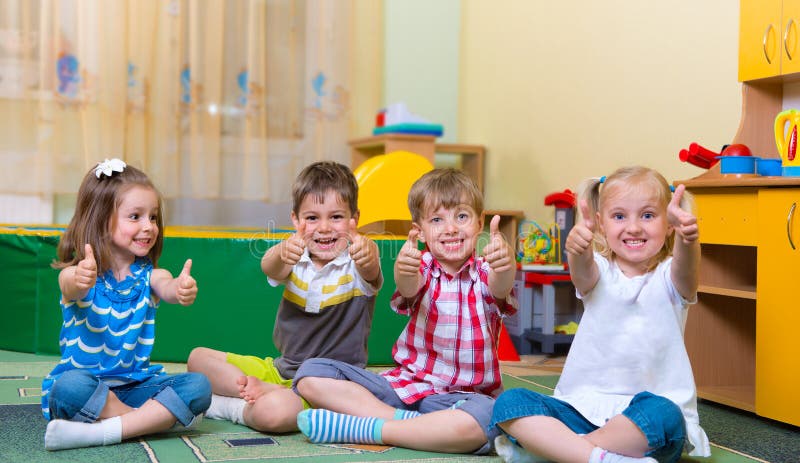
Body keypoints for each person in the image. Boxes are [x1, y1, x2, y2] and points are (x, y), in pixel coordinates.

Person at [491, 166, 711, 463]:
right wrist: (576, 248)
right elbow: (582, 271)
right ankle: (597, 457)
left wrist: (688, 240)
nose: (633, 227)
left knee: (666, 415)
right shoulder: (599, 271)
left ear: (669, 223)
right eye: (619, 216)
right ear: (601, 224)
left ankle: (557, 453)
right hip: (580, 409)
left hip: (640, 420)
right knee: (510, 402)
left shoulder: (670, 277)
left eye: (648, 215)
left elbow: (687, 270)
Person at [293, 168, 518, 455]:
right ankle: (412, 425)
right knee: (311, 374)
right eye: (437, 220)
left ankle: (369, 428)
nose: (450, 228)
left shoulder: (486, 271)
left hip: (465, 399)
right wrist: (403, 269)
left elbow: (501, 287)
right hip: (405, 389)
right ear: (420, 230)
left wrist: (505, 264)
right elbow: (409, 287)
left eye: (461, 217)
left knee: (489, 420)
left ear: (479, 223)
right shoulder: (421, 266)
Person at [186, 161, 382, 433]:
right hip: (282, 369)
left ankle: (229, 406)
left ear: (354, 220)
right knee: (197, 358)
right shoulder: (294, 255)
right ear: (296, 221)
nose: (324, 227)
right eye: (312, 218)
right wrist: (282, 253)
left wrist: (368, 253)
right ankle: (265, 389)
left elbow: (371, 269)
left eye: (336, 217)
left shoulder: (357, 263)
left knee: (273, 413)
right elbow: (269, 265)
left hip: (327, 386)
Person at [42, 158, 210, 451]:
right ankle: (143, 422)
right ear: (101, 220)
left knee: (198, 386)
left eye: (153, 217)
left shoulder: (152, 276)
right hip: (88, 388)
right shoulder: (78, 273)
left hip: (135, 388)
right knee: (67, 388)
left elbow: (167, 287)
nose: (149, 227)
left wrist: (180, 289)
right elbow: (70, 283)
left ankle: (107, 430)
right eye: (136, 216)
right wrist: (81, 279)